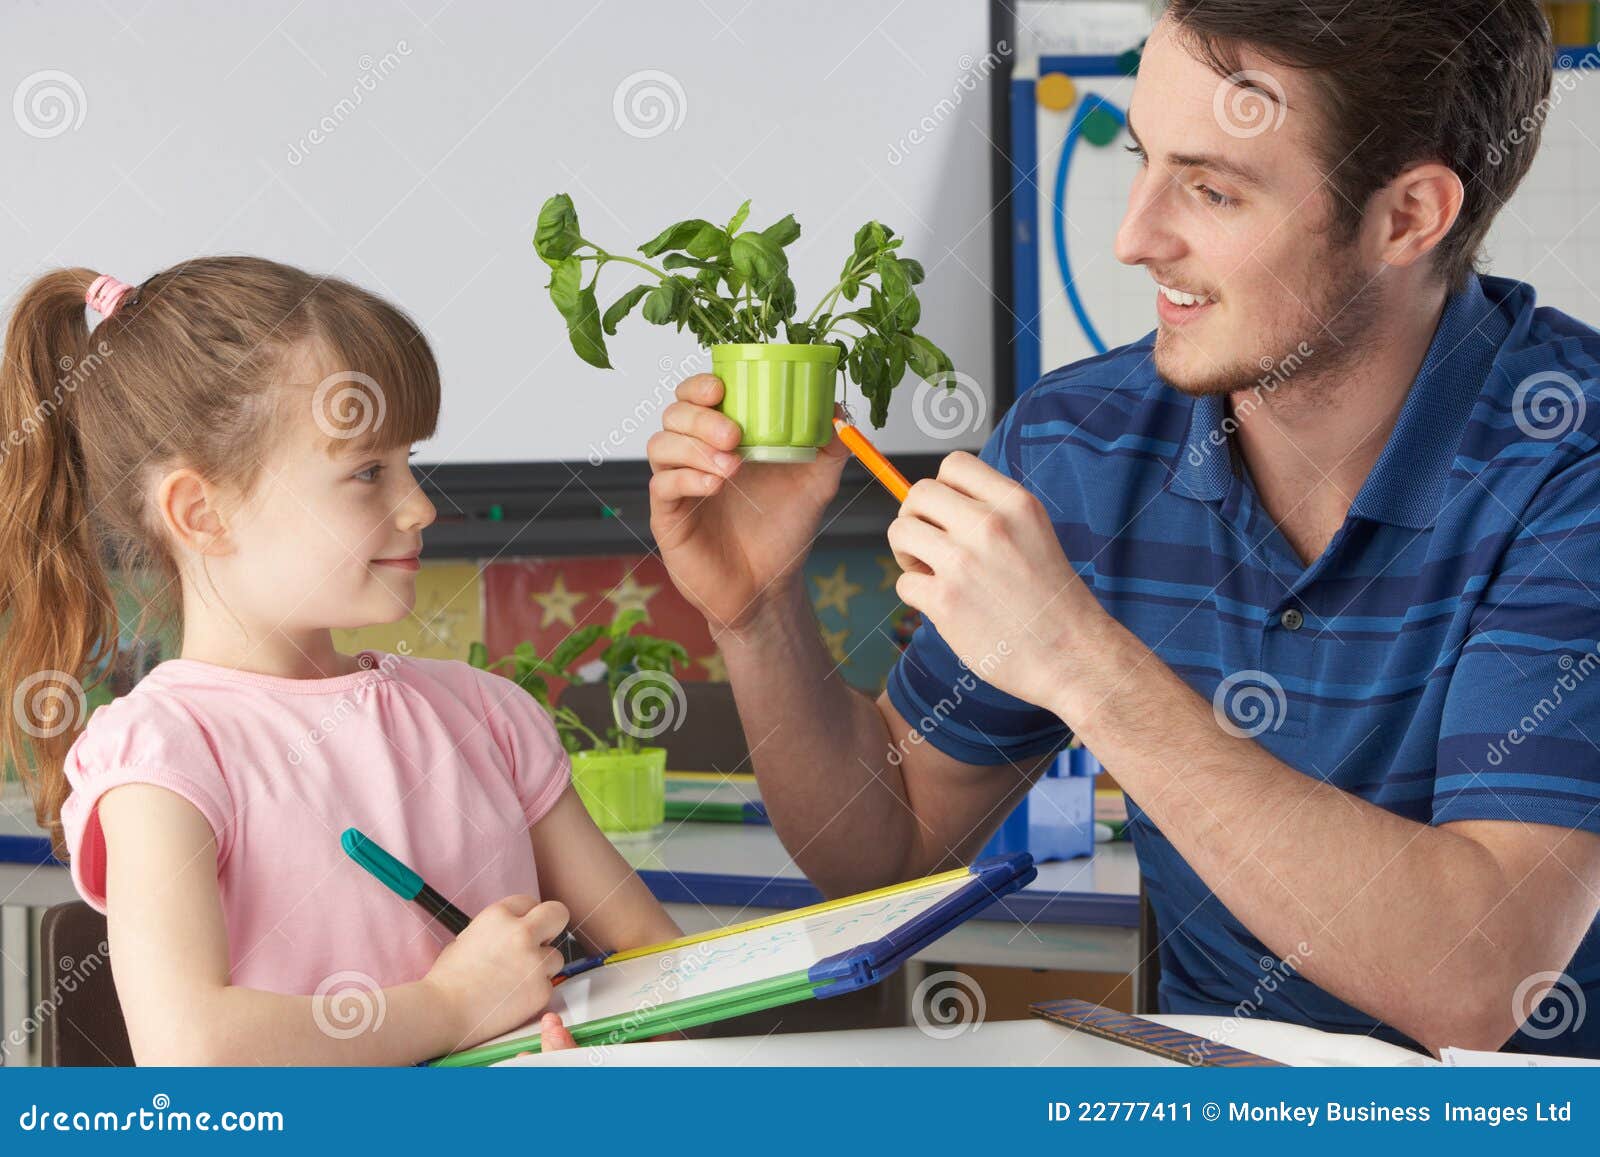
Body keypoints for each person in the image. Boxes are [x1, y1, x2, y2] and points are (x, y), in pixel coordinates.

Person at [644, 0, 1600, 1057]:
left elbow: (1478, 976)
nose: (1134, 238)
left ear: (1407, 216)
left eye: (1213, 189)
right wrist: (756, 612)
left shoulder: (1572, 461)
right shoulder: (1079, 441)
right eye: (1143, 159)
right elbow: (888, 844)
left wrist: (1076, 656)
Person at [1, 257, 680, 1065]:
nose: (419, 505)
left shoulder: (488, 716)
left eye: (409, 462)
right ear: (202, 512)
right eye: (367, 472)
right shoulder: (164, 757)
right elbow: (192, 1048)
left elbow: (660, 966)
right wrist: (452, 1006)